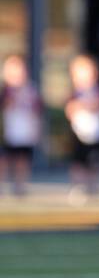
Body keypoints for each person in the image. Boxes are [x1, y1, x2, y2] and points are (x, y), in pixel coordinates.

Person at [65, 54, 99, 202]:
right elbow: (70, 109)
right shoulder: (74, 93)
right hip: (79, 132)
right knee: (78, 162)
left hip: (97, 133)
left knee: (95, 161)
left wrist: (90, 106)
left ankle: (93, 186)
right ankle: (78, 187)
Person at [0, 55, 42, 197]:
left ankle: (20, 186)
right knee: (4, 159)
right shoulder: (5, 91)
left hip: (25, 132)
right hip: (7, 131)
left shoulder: (31, 89)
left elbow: (37, 110)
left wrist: (37, 128)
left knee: (22, 160)